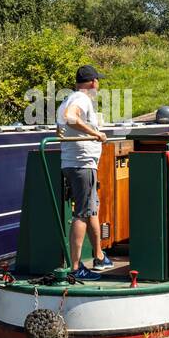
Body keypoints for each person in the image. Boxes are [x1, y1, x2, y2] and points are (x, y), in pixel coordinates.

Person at [57, 64, 112, 280]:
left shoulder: (66, 99)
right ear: (92, 82)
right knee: (81, 212)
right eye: (98, 81)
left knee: (91, 209)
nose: (98, 85)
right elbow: (72, 118)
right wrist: (95, 135)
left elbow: (59, 129)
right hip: (82, 164)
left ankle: (98, 256)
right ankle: (75, 268)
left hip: (73, 162)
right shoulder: (81, 99)